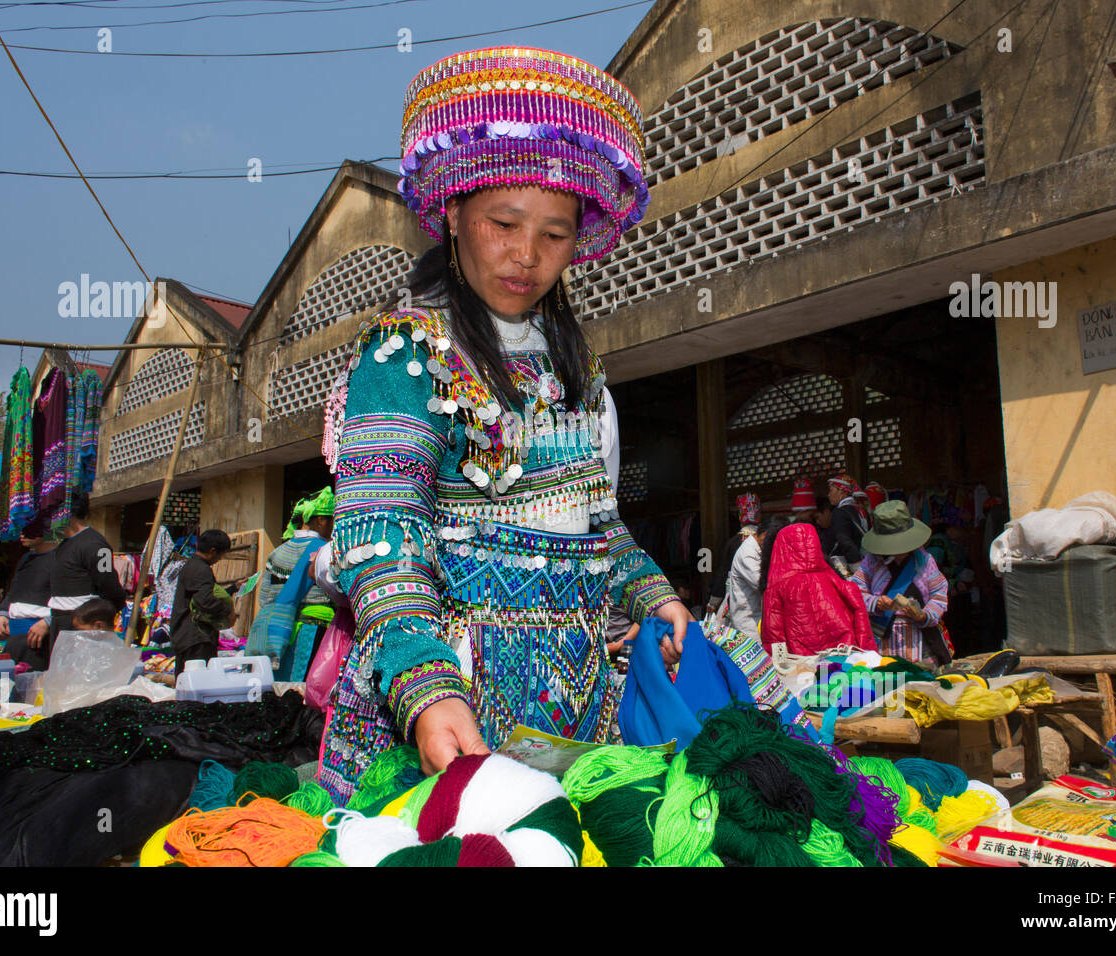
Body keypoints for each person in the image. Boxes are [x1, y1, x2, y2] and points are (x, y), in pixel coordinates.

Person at [316, 47, 689, 803]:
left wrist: (654, 593)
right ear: (453, 213)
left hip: (573, 709)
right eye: (504, 222)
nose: (528, 256)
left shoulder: (572, 366)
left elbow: (596, 522)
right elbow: (379, 536)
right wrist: (424, 682)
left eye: (555, 234)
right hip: (447, 703)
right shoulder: (405, 353)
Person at [248, 488, 337, 680]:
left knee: (284, 682)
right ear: (321, 520)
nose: (334, 525)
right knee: (308, 682)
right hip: (315, 626)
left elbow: (264, 597)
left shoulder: (277, 552)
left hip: (282, 631)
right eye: (332, 519)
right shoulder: (326, 551)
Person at [849, 501, 950, 667]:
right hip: (883, 643)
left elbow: (939, 593)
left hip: (919, 641)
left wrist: (923, 615)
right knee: (890, 687)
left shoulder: (925, 560)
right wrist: (876, 602)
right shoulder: (872, 562)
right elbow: (855, 591)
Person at [760, 522, 873, 656]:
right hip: (844, 658)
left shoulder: (775, 589)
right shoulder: (837, 582)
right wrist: (867, 652)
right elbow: (861, 620)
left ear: (781, 548)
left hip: (802, 667)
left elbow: (774, 637)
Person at [46, 494, 127, 659]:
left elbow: (110, 586)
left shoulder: (94, 544)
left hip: (82, 626)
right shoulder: (64, 545)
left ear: (67, 513)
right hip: (61, 623)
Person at [0, 518, 58, 669]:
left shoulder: (61, 560)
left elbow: (70, 600)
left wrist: (48, 621)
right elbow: (14, 592)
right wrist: (1, 613)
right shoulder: (26, 558)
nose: (21, 535)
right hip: (14, 640)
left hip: (39, 642)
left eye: (27, 530)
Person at [170, 529, 235, 676]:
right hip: (196, 638)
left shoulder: (192, 565)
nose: (219, 559)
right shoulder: (201, 569)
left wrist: (233, 588)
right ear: (213, 551)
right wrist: (228, 612)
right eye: (221, 555)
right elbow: (205, 601)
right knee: (197, 683)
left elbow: (202, 594)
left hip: (188, 636)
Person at [724, 515, 778, 639]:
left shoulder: (757, 548)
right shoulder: (747, 553)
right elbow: (763, 584)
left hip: (757, 617)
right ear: (764, 534)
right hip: (748, 620)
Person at [707, 492, 761, 615]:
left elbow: (723, 572)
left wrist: (713, 602)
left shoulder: (733, 543)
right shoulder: (766, 540)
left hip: (738, 598)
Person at [828, 475, 868, 567]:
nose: (829, 494)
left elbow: (844, 540)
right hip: (867, 559)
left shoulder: (840, 512)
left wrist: (856, 564)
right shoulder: (861, 509)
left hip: (853, 563)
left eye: (831, 490)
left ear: (842, 492)